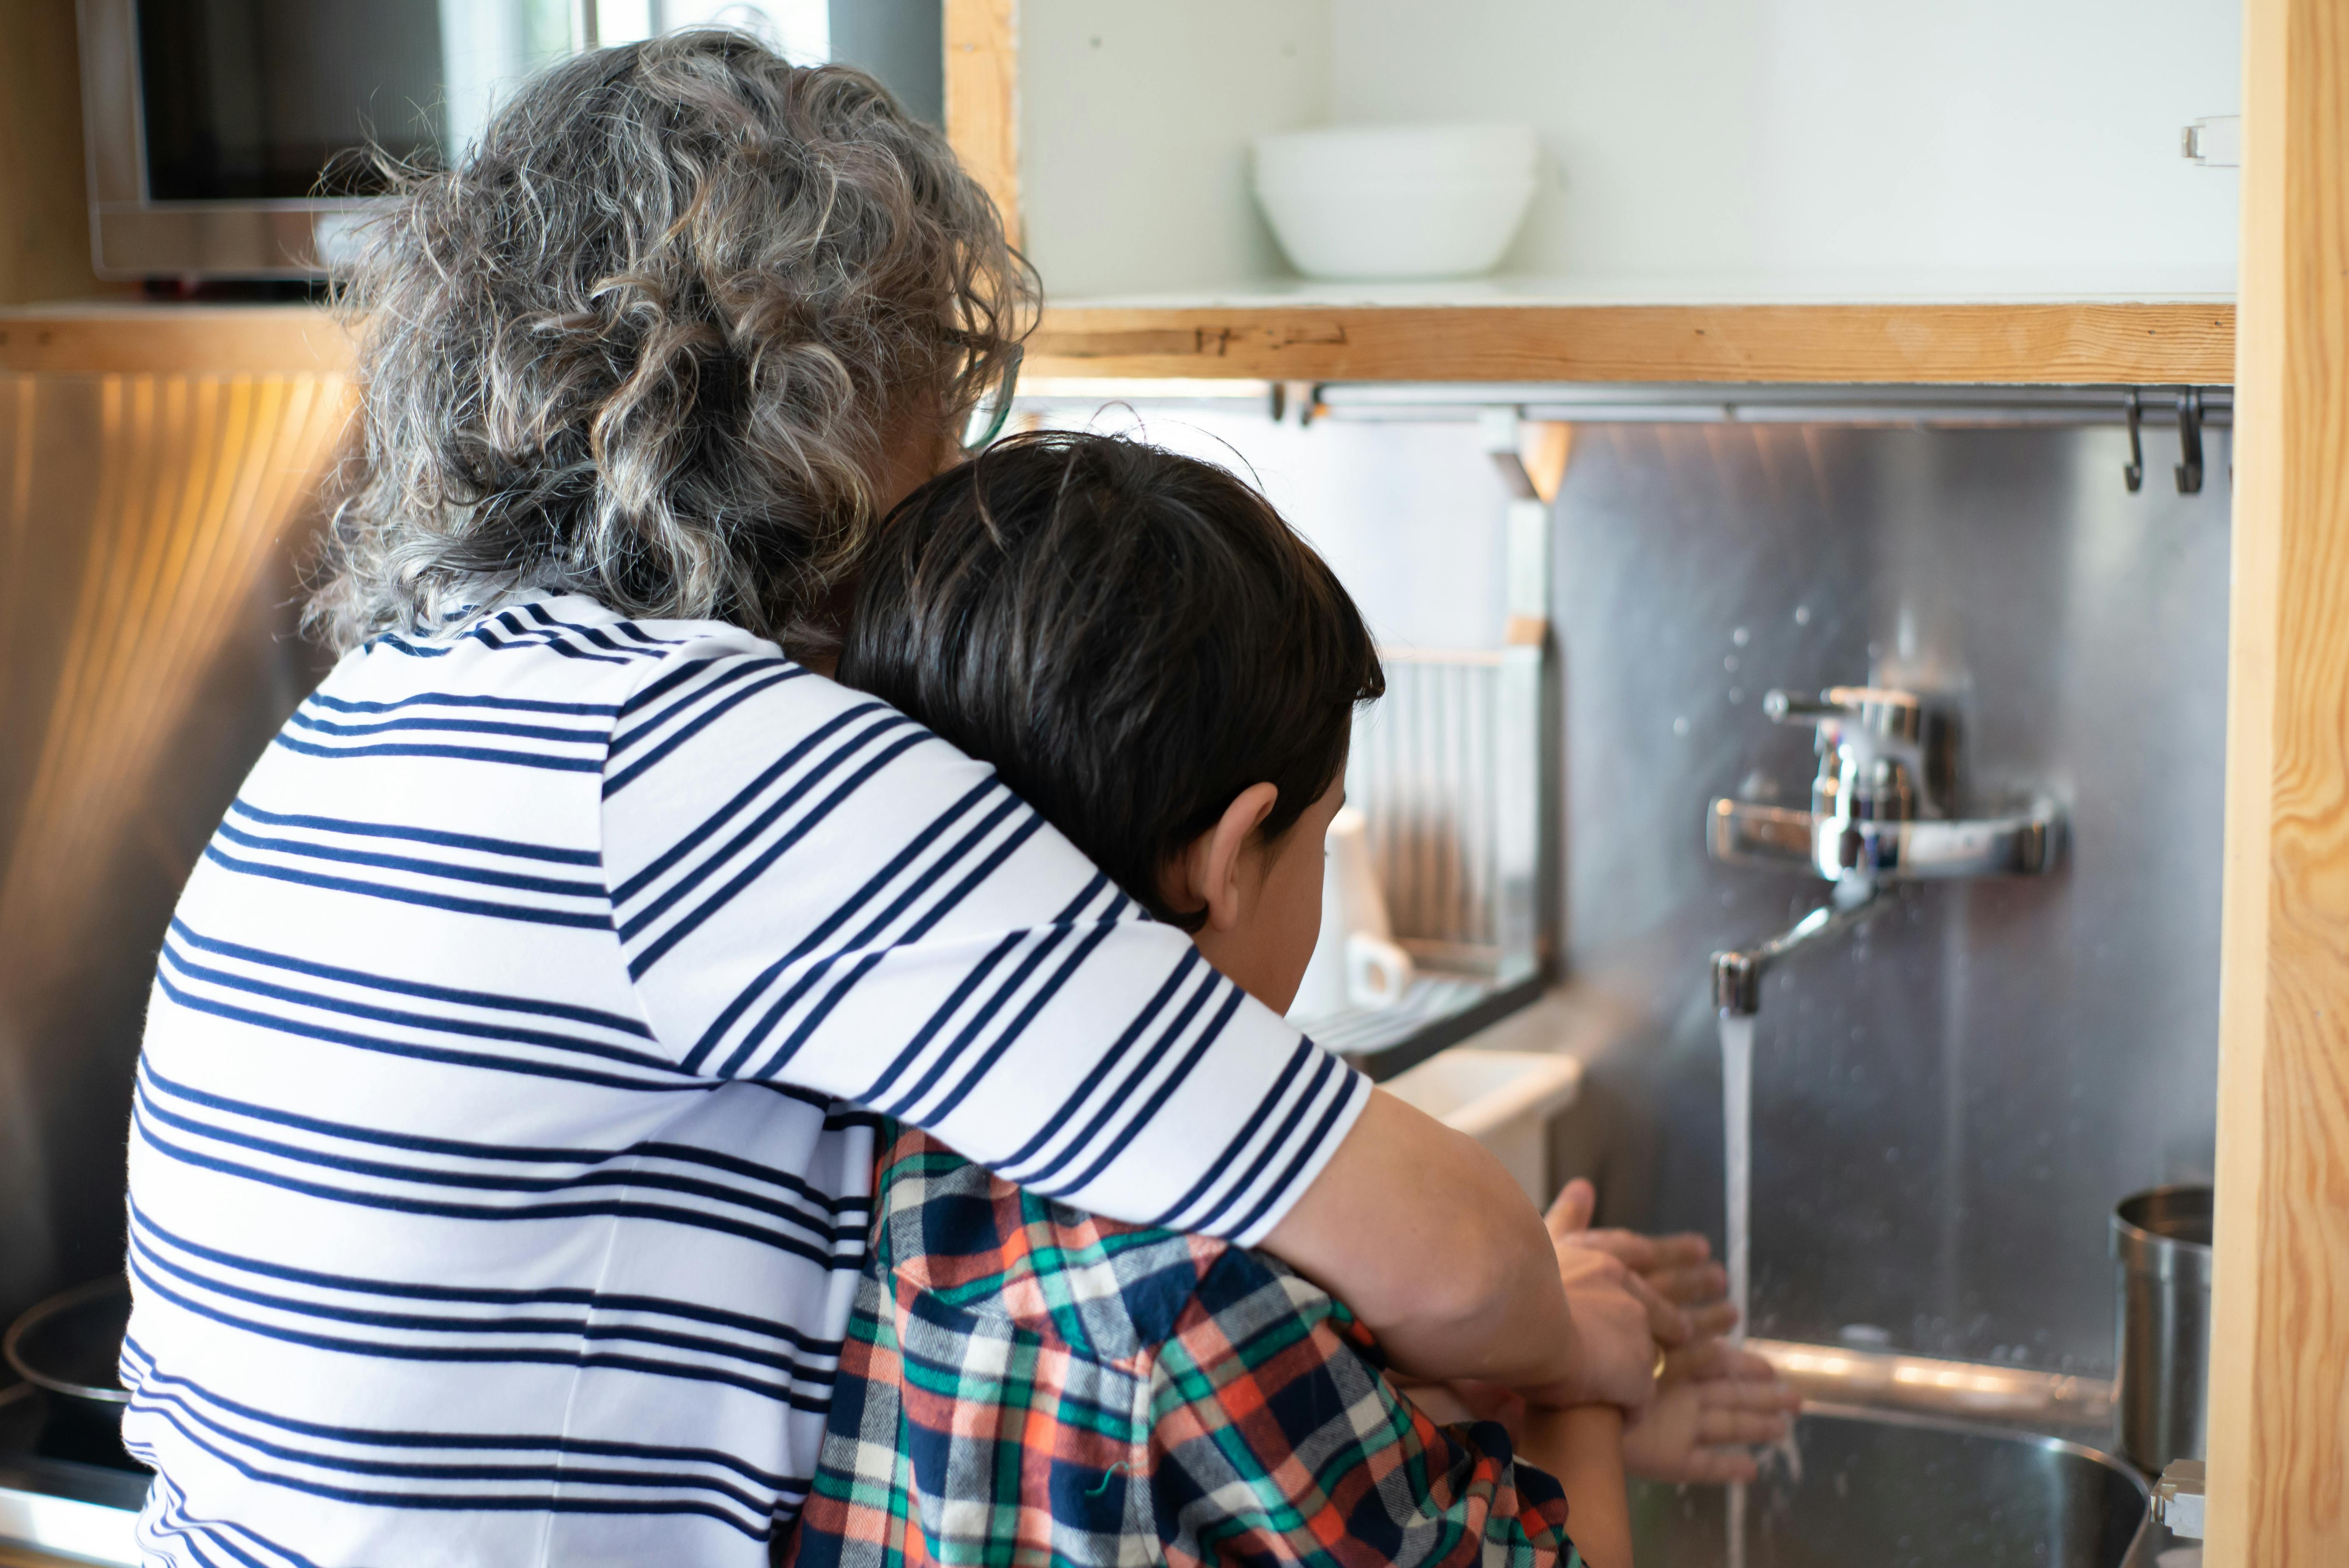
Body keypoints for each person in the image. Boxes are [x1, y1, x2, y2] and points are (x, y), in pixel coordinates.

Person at [115, 33, 1680, 1568]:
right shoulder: (695, 756)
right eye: (941, 397)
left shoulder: (389, 705)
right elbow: (1453, 1251)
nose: (956, 470)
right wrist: (1577, 1351)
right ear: (823, 409)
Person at [784, 432, 1797, 1568]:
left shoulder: (841, 1145)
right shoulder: (1209, 1299)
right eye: (1320, 830)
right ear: (1224, 862)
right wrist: (1580, 1388)